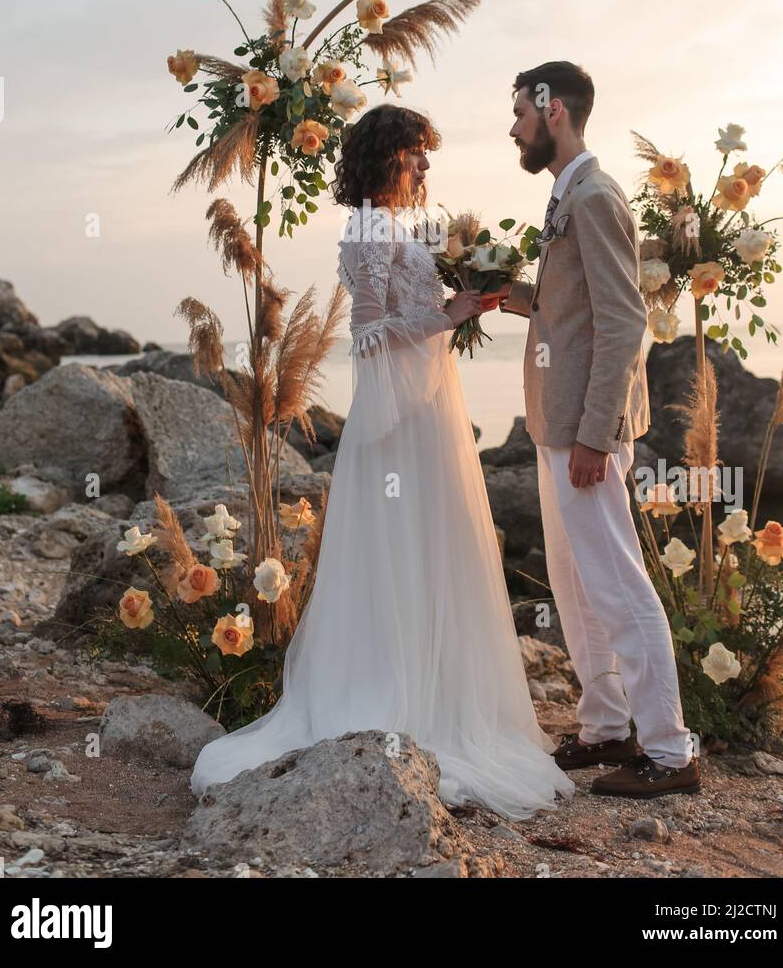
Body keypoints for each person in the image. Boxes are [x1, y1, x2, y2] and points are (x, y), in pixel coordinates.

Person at [191, 103, 575, 820]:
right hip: (398, 420)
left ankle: (441, 697)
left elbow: (404, 316)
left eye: (427, 152)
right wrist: (449, 314)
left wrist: (464, 299)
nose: (425, 165)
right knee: (403, 549)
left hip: (426, 408)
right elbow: (367, 336)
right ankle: (399, 702)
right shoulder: (367, 227)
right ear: (383, 159)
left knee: (434, 547)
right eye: (414, 152)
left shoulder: (393, 227)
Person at [497, 61, 700, 798]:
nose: (512, 126)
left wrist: (595, 433)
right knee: (576, 584)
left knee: (616, 582)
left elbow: (624, 321)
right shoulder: (567, 195)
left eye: (520, 111)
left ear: (554, 111)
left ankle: (673, 753)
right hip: (559, 422)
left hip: (583, 428)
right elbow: (572, 310)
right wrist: (503, 292)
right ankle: (605, 727)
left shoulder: (594, 196)